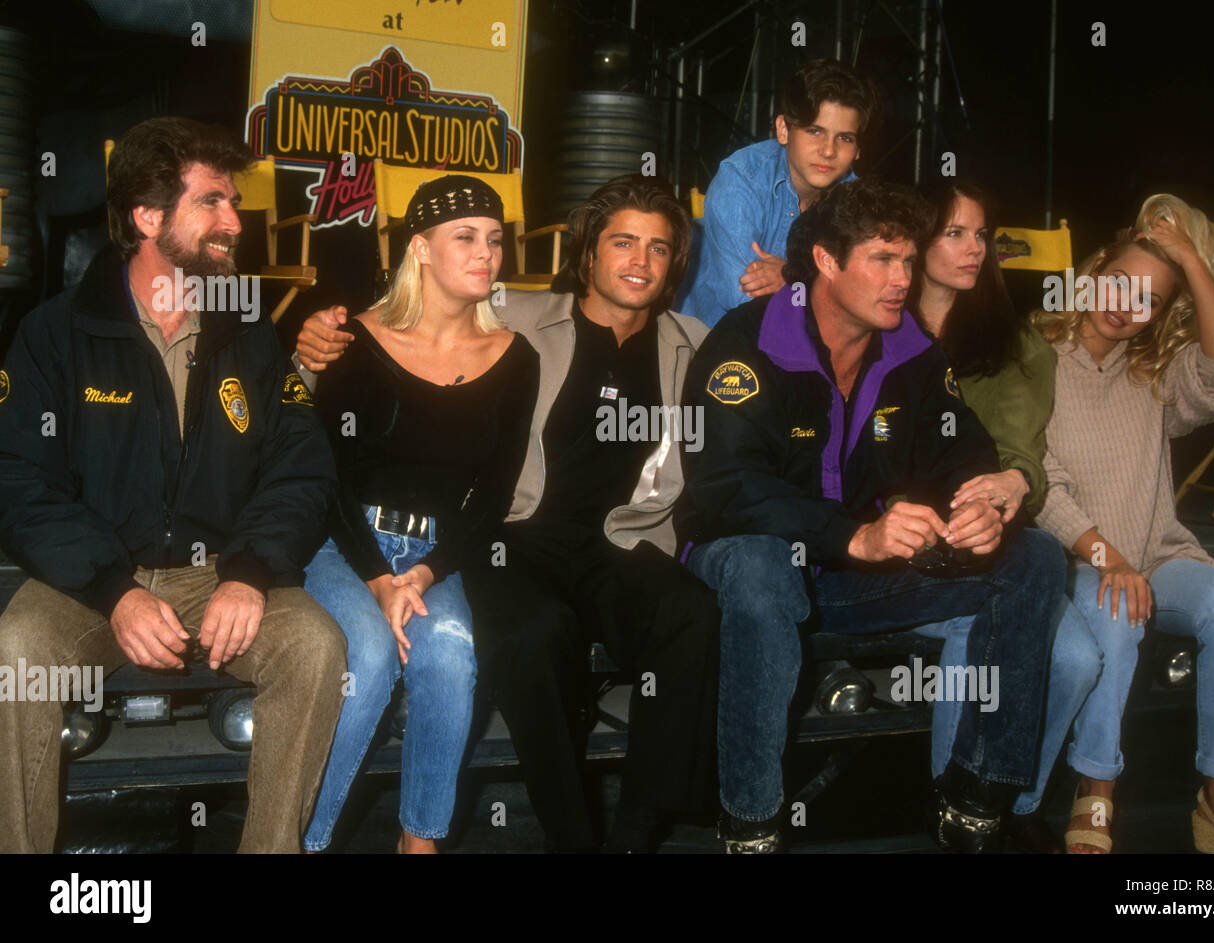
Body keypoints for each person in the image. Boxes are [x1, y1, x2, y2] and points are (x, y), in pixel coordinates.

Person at [295, 174, 719, 854]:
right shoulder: (514, 315)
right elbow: (404, 323)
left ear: (675, 265)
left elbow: (760, 387)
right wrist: (316, 334)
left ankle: (640, 831)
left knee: (692, 612)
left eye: (660, 248)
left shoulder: (695, 343)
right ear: (587, 254)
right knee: (530, 636)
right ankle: (572, 838)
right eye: (623, 243)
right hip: (511, 539)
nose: (641, 261)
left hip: (618, 543)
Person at [676, 178, 1064, 853]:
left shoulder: (910, 346)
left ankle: (977, 796)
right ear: (826, 261)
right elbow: (725, 488)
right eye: (883, 260)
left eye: (910, 261)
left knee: (1036, 557)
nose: (901, 279)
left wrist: (984, 495)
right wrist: (851, 533)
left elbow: (958, 441)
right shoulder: (745, 344)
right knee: (766, 566)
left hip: (852, 575)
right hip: (742, 567)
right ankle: (751, 822)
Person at [0, 117, 344, 853]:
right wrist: (113, 589)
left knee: (314, 645)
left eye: (233, 203)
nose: (234, 220)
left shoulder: (247, 330)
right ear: (148, 217)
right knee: (17, 650)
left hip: (218, 572)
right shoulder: (55, 333)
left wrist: (250, 571)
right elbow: (17, 477)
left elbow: (301, 463)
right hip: (93, 578)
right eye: (213, 202)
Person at [1031, 194, 1214, 854]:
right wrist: (1107, 555)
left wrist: (1191, 263)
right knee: (1117, 608)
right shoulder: (1034, 354)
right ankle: (1096, 792)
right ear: (1092, 270)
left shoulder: (1153, 373)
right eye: (1119, 281)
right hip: (1074, 560)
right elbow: (1037, 482)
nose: (1125, 303)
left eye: (1148, 297)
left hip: (1155, 554)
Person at [301, 177, 539, 854]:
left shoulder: (514, 358)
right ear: (422, 249)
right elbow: (328, 480)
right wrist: (380, 577)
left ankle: (419, 842)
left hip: (438, 553)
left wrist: (425, 573)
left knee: (450, 657)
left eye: (494, 239)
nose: (485, 252)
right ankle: (301, 840)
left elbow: (491, 496)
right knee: (369, 659)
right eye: (465, 236)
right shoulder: (357, 339)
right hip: (345, 543)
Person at [902, 179, 1091, 853]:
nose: (973, 247)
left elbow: (1021, 451)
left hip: (997, 537)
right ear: (917, 238)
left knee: (1075, 658)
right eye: (954, 231)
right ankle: (958, 814)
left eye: (981, 234)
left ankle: (999, 804)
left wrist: (1014, 480)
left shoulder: (1014, 342)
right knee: (979, 628)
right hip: (904, 544)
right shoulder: (880, 325)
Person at [675, 58, 873, 326]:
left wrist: (794, 278)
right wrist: (812, 283)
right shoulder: (740, 179)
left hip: (807, 344)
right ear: (783, 130)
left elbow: (864, 296)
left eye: (845, 138)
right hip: (714, 341)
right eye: (815, 131)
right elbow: (743, 301)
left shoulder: (856, 195)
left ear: (858, 149)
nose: (829, 151)